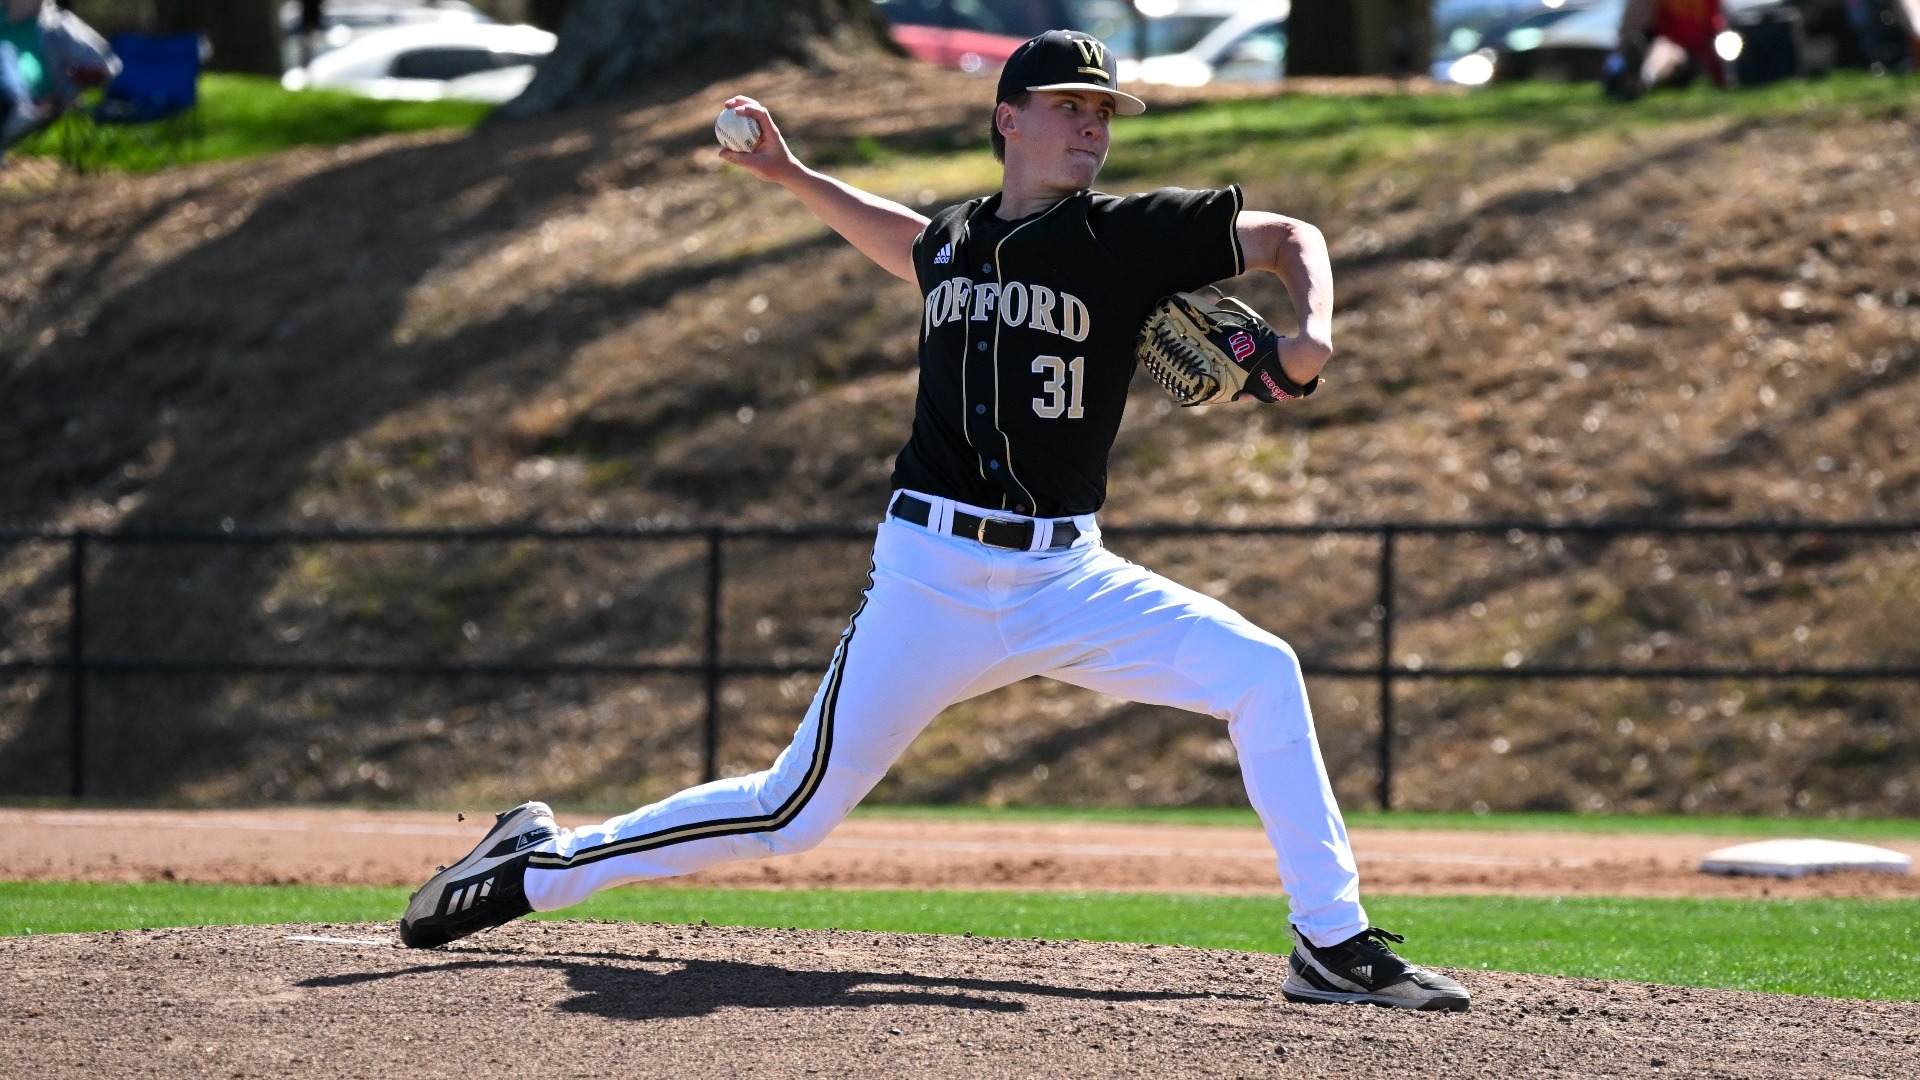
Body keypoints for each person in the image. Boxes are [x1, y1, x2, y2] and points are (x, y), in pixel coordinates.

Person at [399, 29, 1471, 1013]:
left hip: (1070, 577)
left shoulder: (1123, 238)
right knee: (790, 813)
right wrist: (791, 175)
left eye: (1104, 110)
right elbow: (910, 243)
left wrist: (1311, 337)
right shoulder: (958, 240)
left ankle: (1329, 942)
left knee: (1262, 669)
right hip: (932, 579)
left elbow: (1293, 235)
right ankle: (540, 864)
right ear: (1009, 118)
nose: (1093, 124)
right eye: (1068, 105)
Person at [1606, 0, 1727, 100]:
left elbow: (1713, 36)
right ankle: (1621, 72)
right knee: (1653, 45)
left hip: (1687, 58)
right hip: (1652, 43)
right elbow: (1634, 22)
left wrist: (1720, 76)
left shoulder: (1712, 3)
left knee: (1667, 50)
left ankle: (1641, 80)